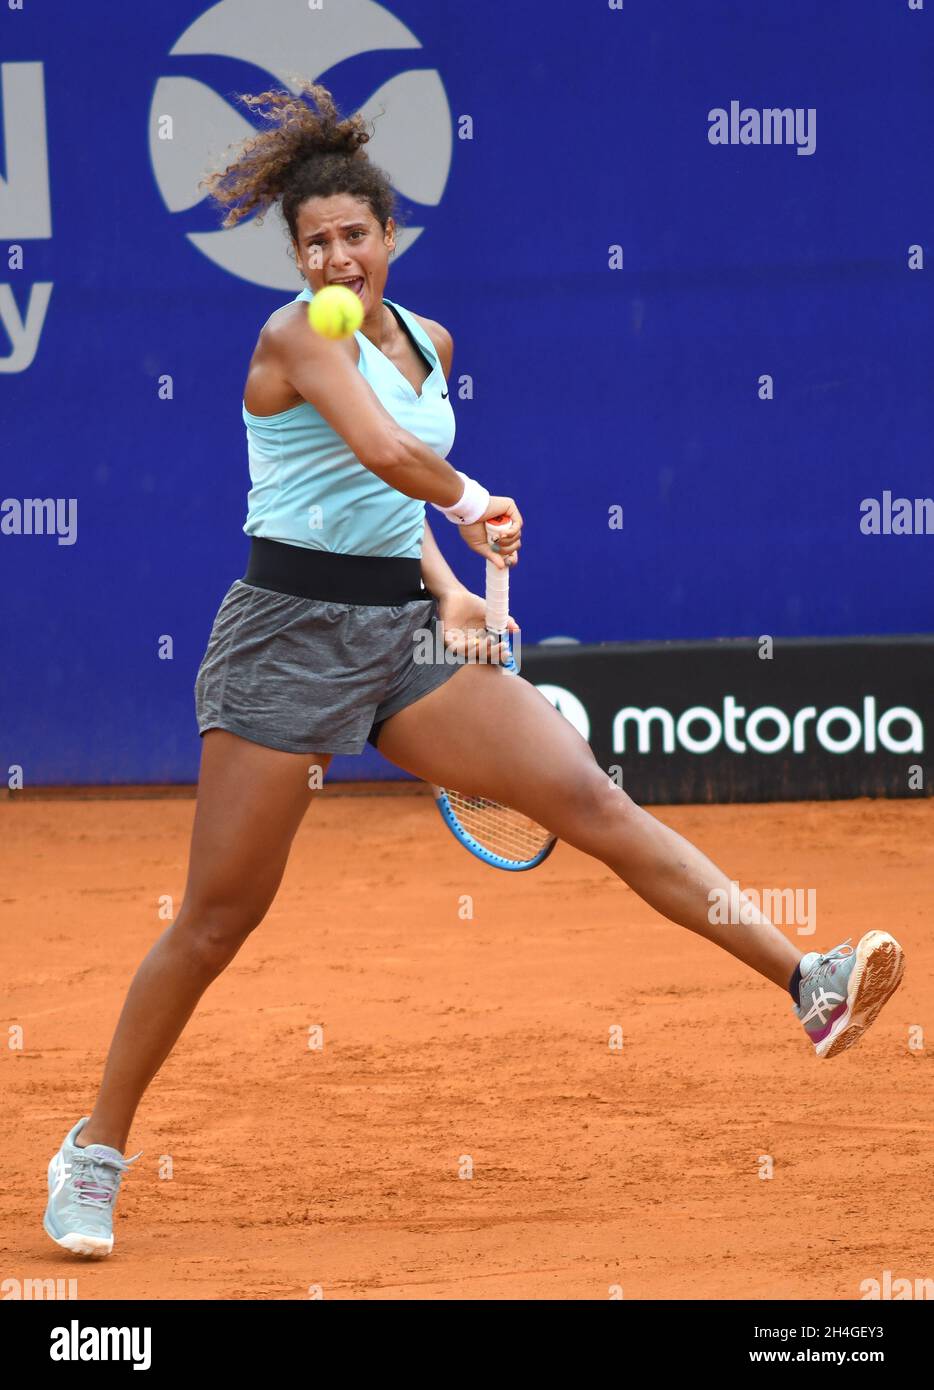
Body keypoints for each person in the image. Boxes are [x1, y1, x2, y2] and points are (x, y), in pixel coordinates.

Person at [43, 82, 905, 1258]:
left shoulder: (430, 342)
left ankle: (803, 978)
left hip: (400, 638)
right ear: (293, 259)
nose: (337, 257)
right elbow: (384, 453)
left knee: (595, 801)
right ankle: (91, 1152)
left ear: (389, 238)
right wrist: (472, 505)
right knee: (215, 919)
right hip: (283, 641)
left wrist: (449, 588)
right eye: (314, 243)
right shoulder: (295, 336)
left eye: (355, 235)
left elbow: (379, 507)